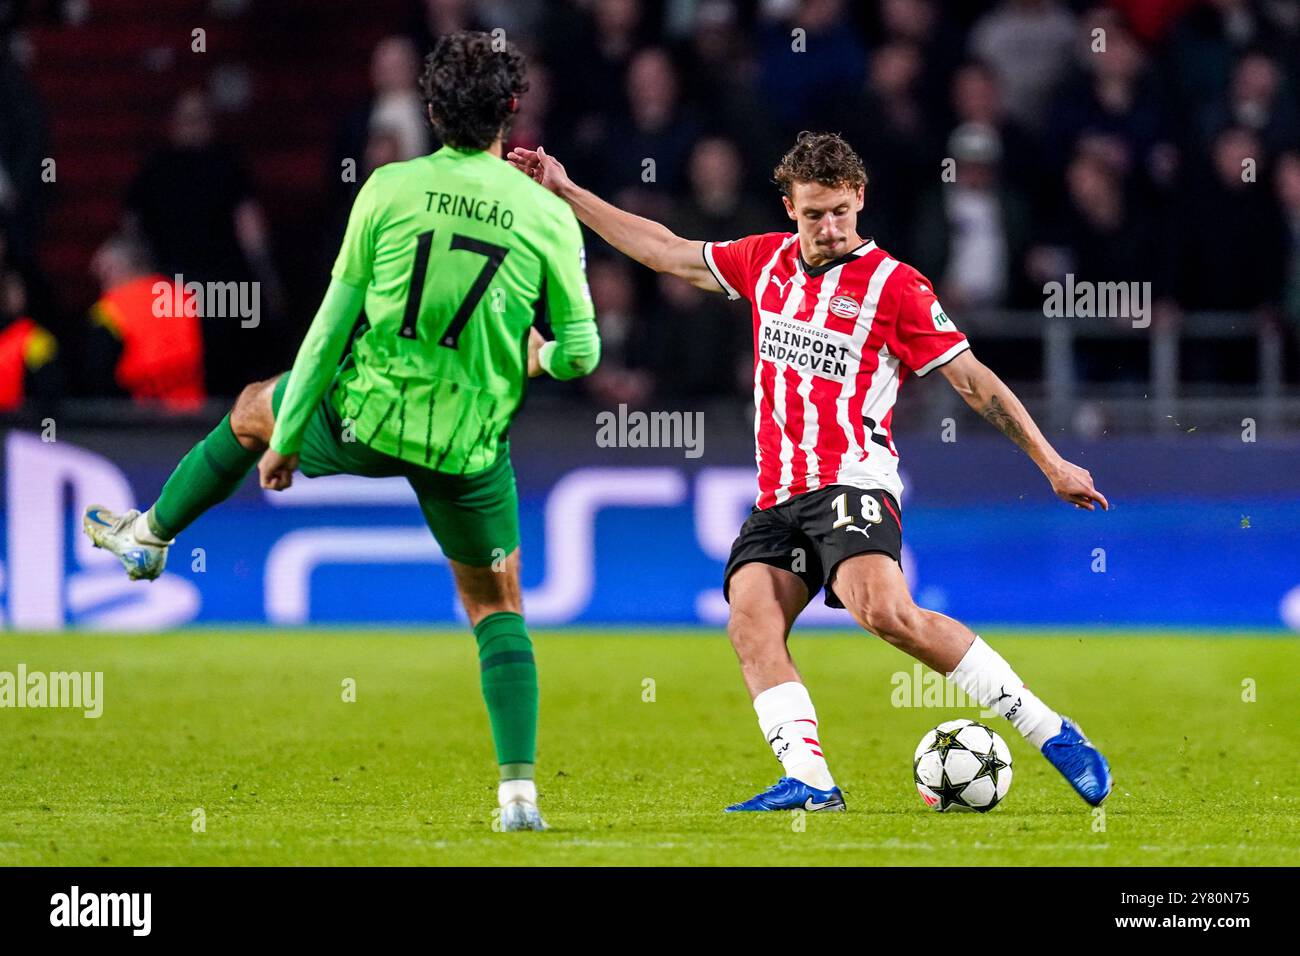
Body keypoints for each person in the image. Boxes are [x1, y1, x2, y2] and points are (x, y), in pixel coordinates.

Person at [83, 31, 600, 831]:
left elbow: (330, 326)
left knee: (252, 405)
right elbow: (581, 353)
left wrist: (289, 432)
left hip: (367, 415)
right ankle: (519, 796)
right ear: (511, 114)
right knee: (498, 612)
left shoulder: (388, 189)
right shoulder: (547, 215)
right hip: (468, 442)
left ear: (429, 111)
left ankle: (149, 535)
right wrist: (530, 357)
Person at [508, 130, 1112, 811]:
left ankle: (1050, 729)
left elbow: (973, 382)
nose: (829, 228)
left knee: (885, 613)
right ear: (789, 207)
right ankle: (813, 782)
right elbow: (666, 251)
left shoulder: (895, 286)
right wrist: (566, 190)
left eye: (840, 213)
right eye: (813, 214)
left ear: (860, 200)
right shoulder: (762, 261)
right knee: (751, 622)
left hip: (853, 480)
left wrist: (1052, 462)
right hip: (780, 495)